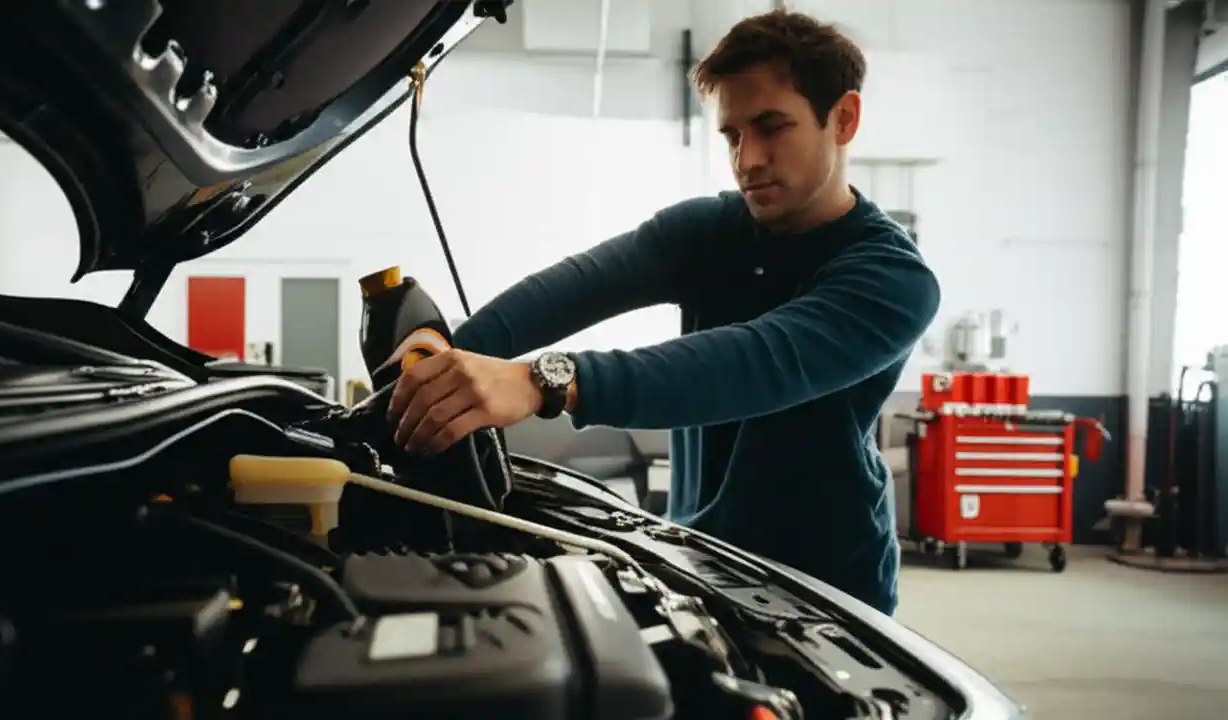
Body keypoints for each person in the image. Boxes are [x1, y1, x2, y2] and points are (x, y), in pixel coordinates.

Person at [384, 9, 940, 615]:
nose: (747, 159)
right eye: (732, 135)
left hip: (826, 591)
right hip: (699, 554)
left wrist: (544, 380)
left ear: (844, 118)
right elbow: (573, 289)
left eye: (772, 127)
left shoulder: (893, 279)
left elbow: (753, 363)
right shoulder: (705, 231)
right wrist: (448, 358)